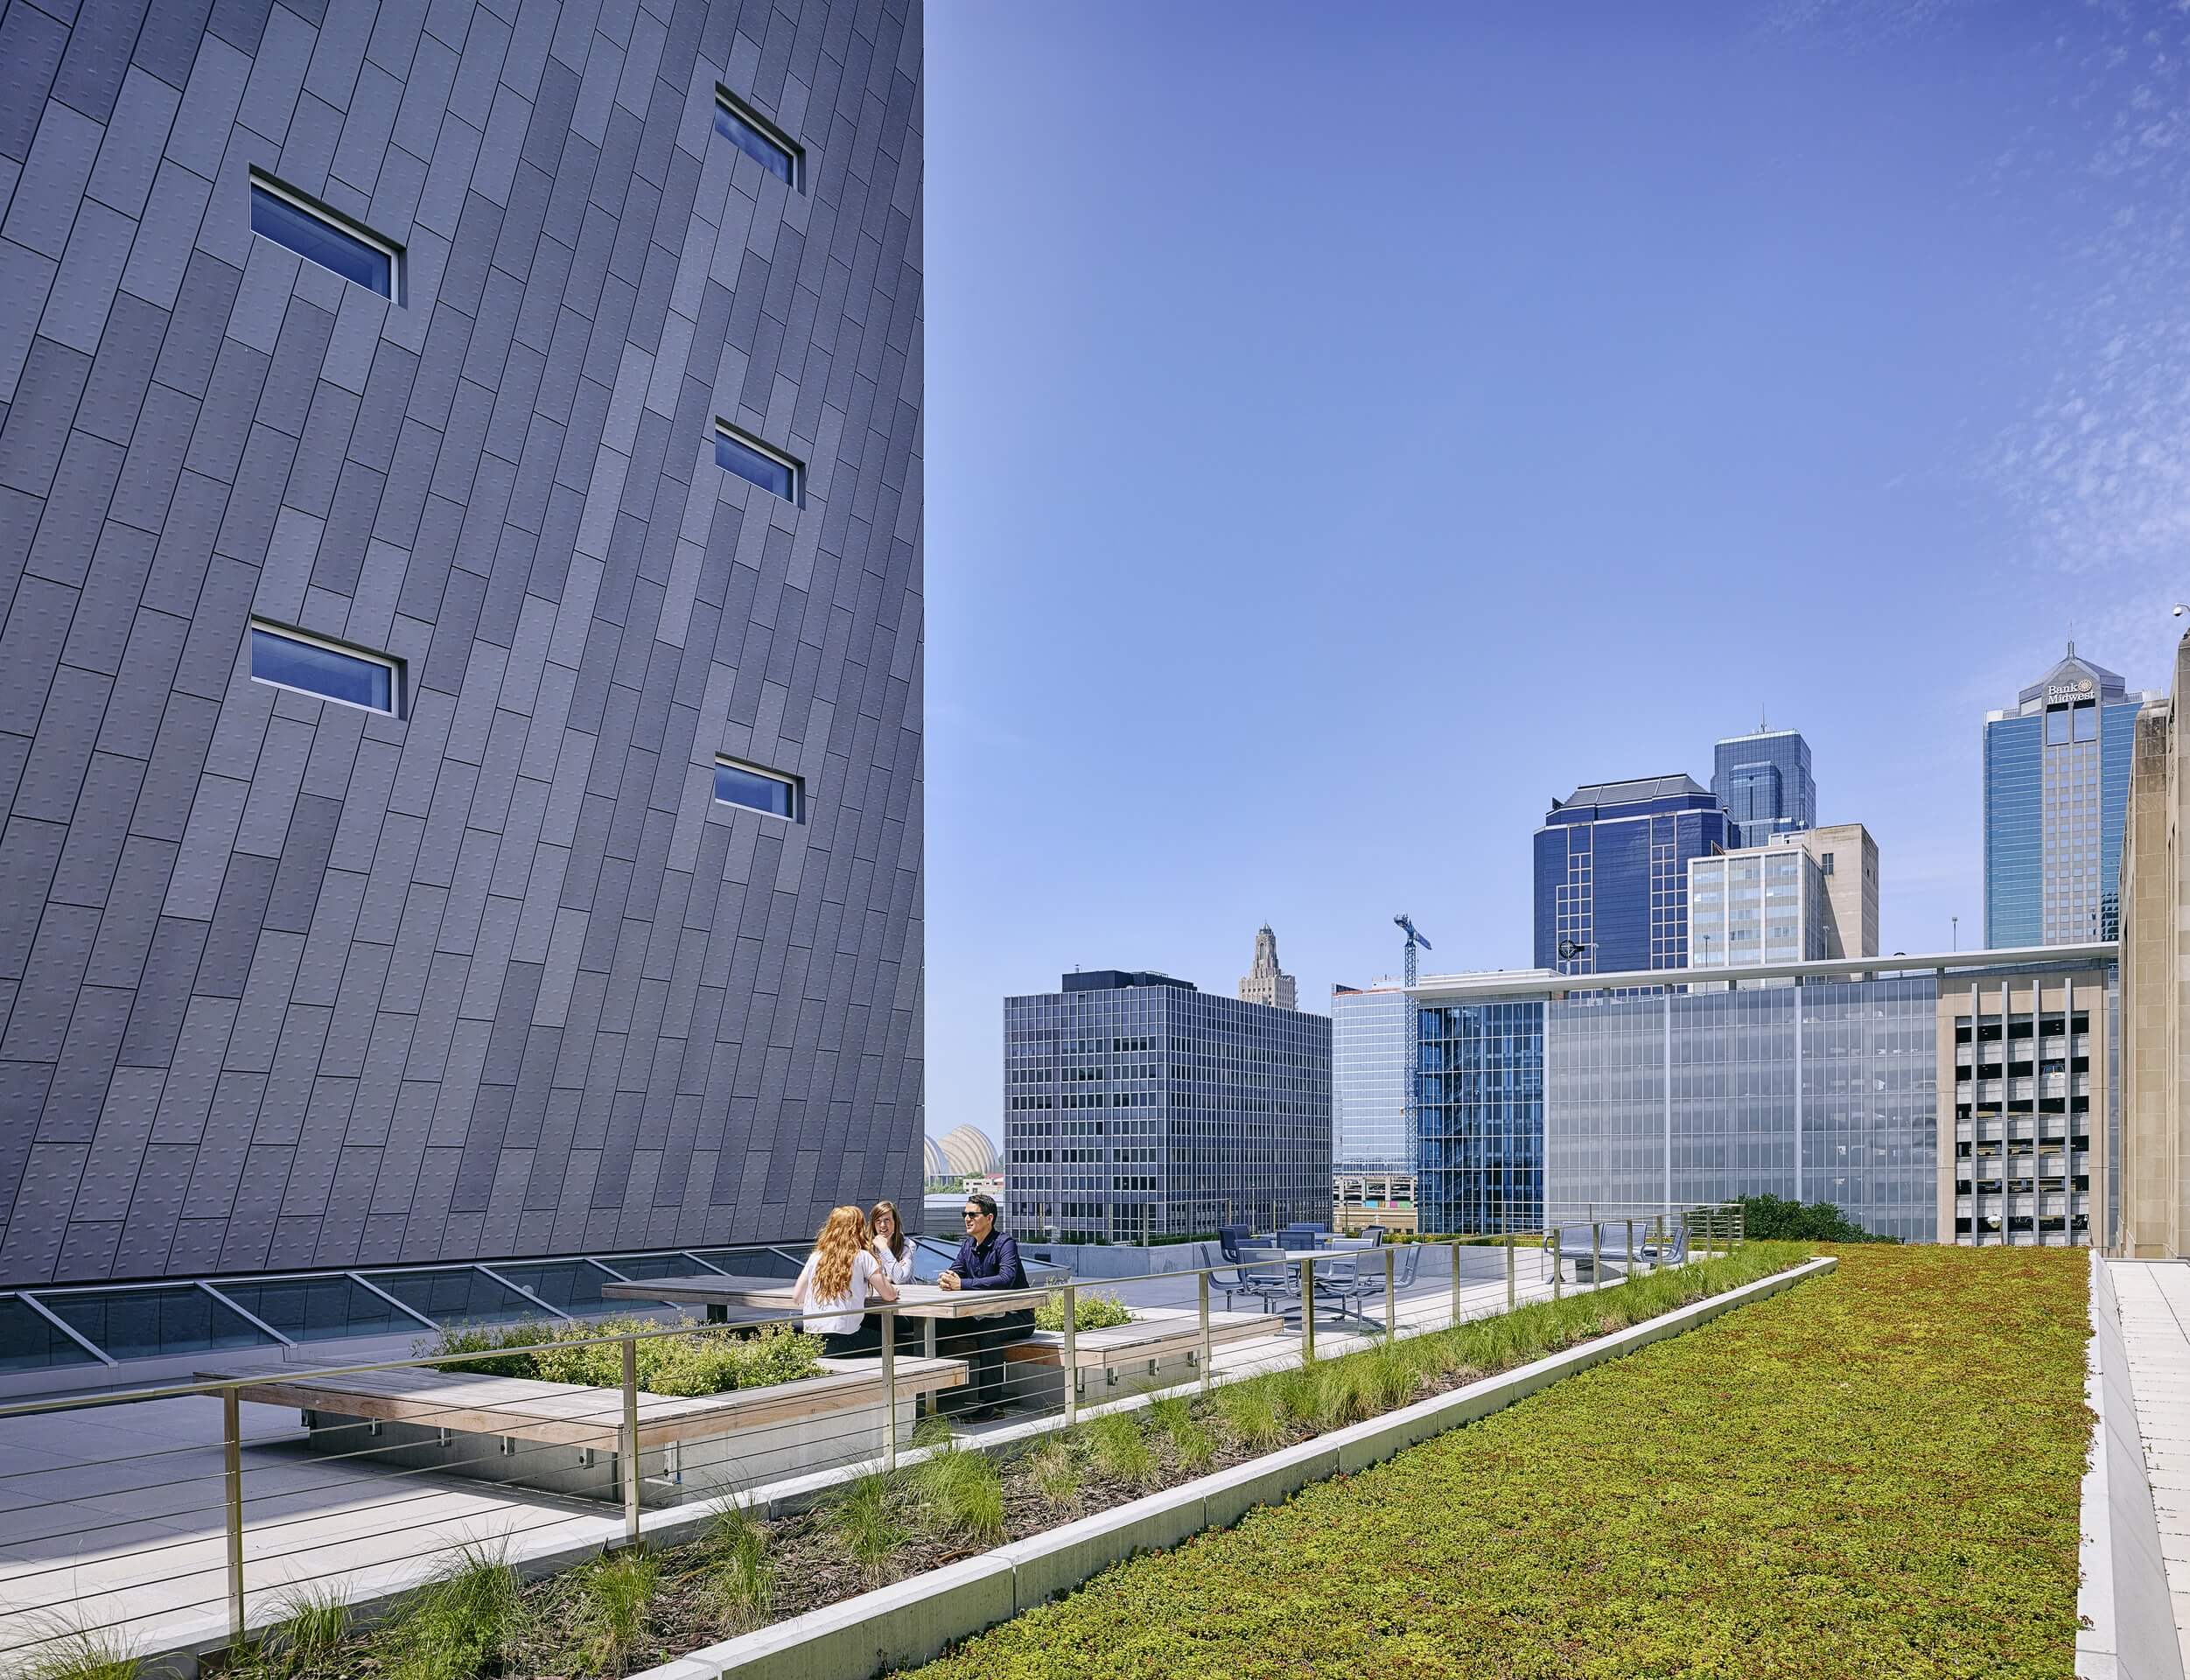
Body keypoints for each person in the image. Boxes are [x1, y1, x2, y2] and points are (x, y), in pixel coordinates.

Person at [936, 1193, 1035, 1419]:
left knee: (988, 1334)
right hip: (981, 1315)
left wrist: (962, 1284)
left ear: (989, 1218)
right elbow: (956, 1272)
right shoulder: (968, 1245)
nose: (967, 1219)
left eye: (973, 1214)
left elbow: (1005, 1279)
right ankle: (925, 1396)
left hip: (1017, 1316)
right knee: (937, 1329)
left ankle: (991, 1407)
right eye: (965, 1214)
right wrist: (947, 1279)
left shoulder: (1005, 1243)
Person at [789, 1205, 899, 1355]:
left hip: (812, 1340)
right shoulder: (863, 1257)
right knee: (897, 1343)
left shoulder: (816, 1256)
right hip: (844, 1340)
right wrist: (894, 1289)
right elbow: (889, 1295)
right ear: (859, 1229)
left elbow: (797, 1297)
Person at [868, 1200, 917, 1283]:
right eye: (878, 1221)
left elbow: (900, 1278)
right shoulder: (867, 1247)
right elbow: (863, 1280)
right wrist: (891, 1276)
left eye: (887, 1220)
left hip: (907, 1294)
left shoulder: (907, 1245)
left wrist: (884, 1248)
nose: (883, 1225)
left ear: (895, 1222)